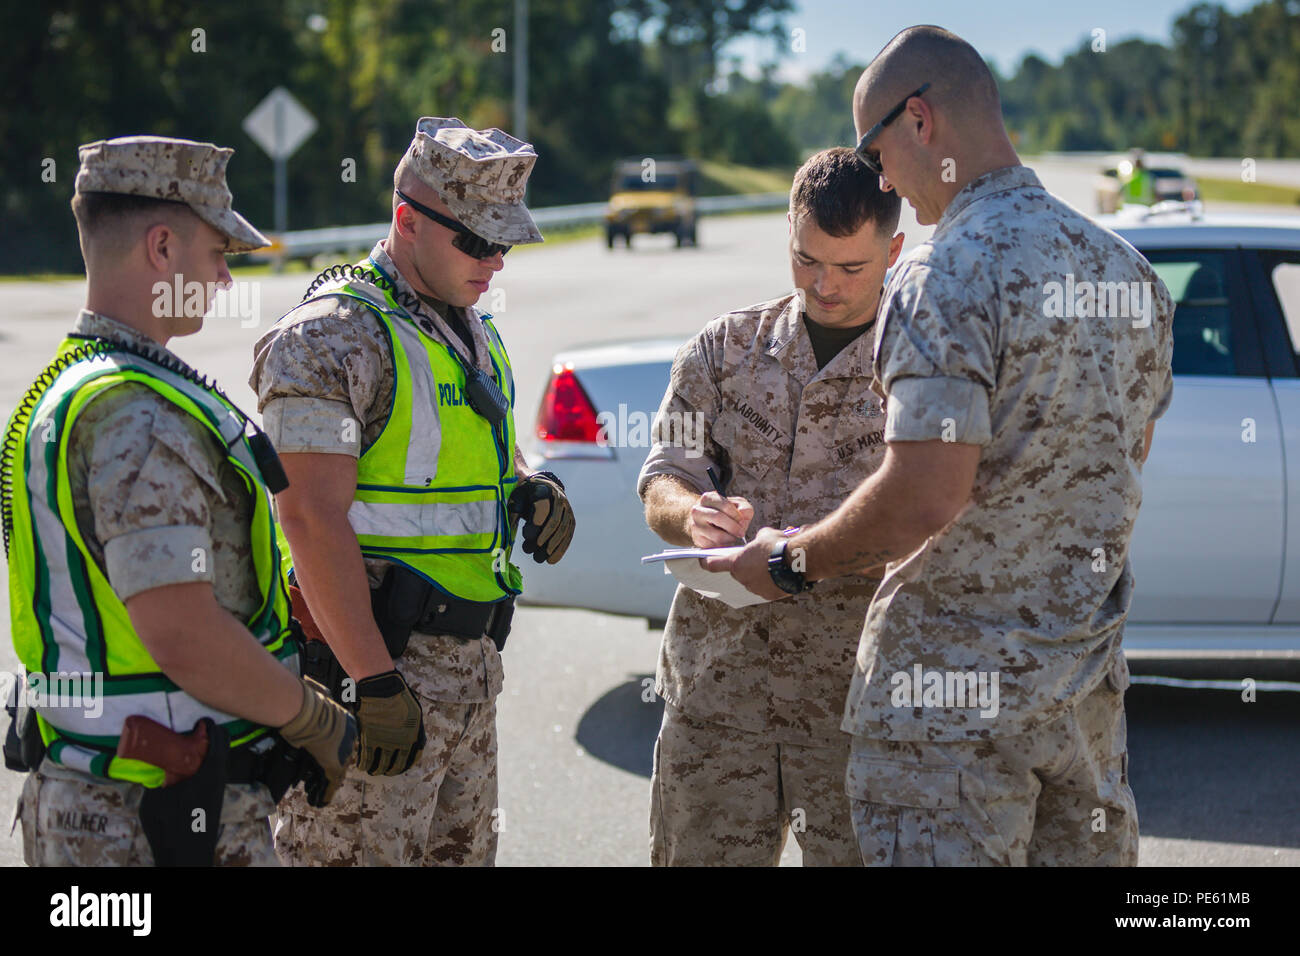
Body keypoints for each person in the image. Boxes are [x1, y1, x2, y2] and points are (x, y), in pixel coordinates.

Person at [706, 25, 1175, 866]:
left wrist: (788, 561)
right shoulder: (1129, 272)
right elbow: (1127, 453)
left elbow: (926, 494)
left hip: (952, 722)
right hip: (1082, 703)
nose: (877, 176)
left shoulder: (943, 272)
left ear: (919, 120)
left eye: (873, 148)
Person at [2, 136, 357, 867]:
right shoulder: (138, 416)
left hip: (107, 799)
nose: (226, 279)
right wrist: (312, 719)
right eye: (218, 253)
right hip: (154, 814)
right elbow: (182, 632)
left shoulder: (74, 386)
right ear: (161, 248)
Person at [251, 117, 575, 867]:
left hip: (466, 677)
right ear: (407, 220)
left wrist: (529, 482)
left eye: (505, 244)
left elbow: (470, 441)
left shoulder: (466, 326)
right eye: (476, 241)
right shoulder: (332, 336)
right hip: (376, 679)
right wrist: (373, 677)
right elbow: (306, 513)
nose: (494, 261)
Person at [639, 148, 904, 866]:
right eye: (805, 259)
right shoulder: (726, 349)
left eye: (851, 268)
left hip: (855, 709)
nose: (824, 285)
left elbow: (936, 514)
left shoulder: (921, 367)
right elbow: (664, 473)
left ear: (895, 250)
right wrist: (691, 513)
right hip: (719, 700)